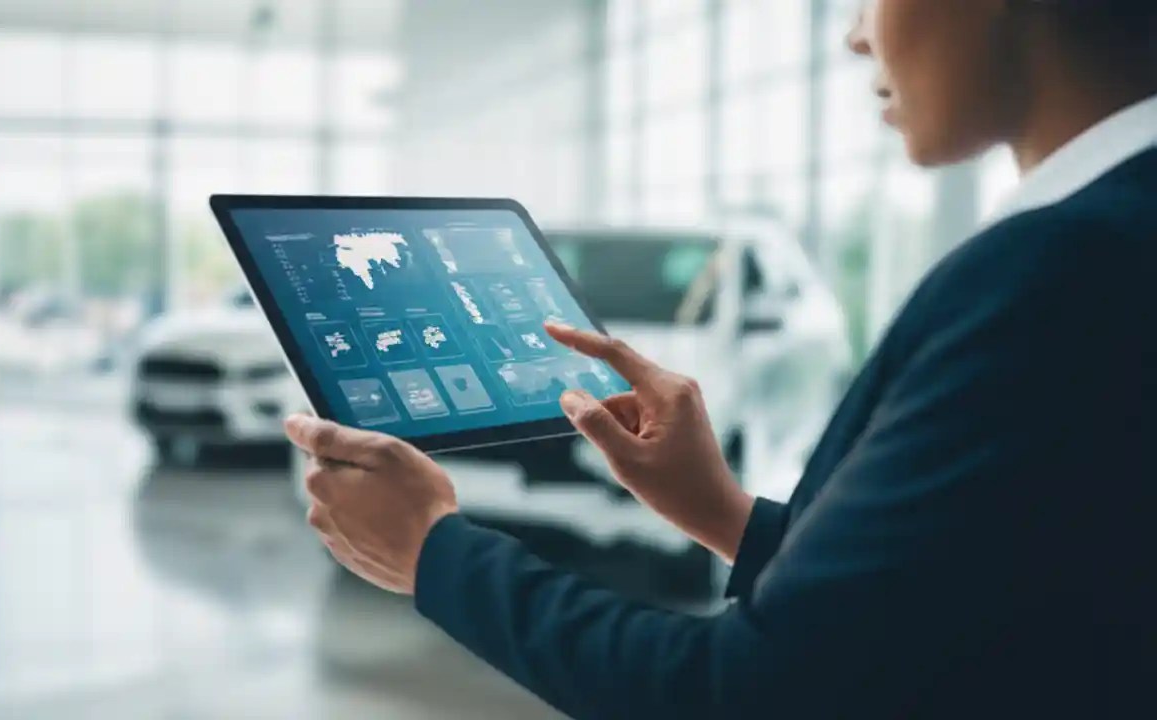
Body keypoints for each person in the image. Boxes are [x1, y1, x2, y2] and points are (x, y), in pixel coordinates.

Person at [286, 0, 1156, 717]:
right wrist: (724, 512)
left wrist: (434, 552)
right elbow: (971, 608)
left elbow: (757, 694)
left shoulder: (1066, 265)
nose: (857, 34)